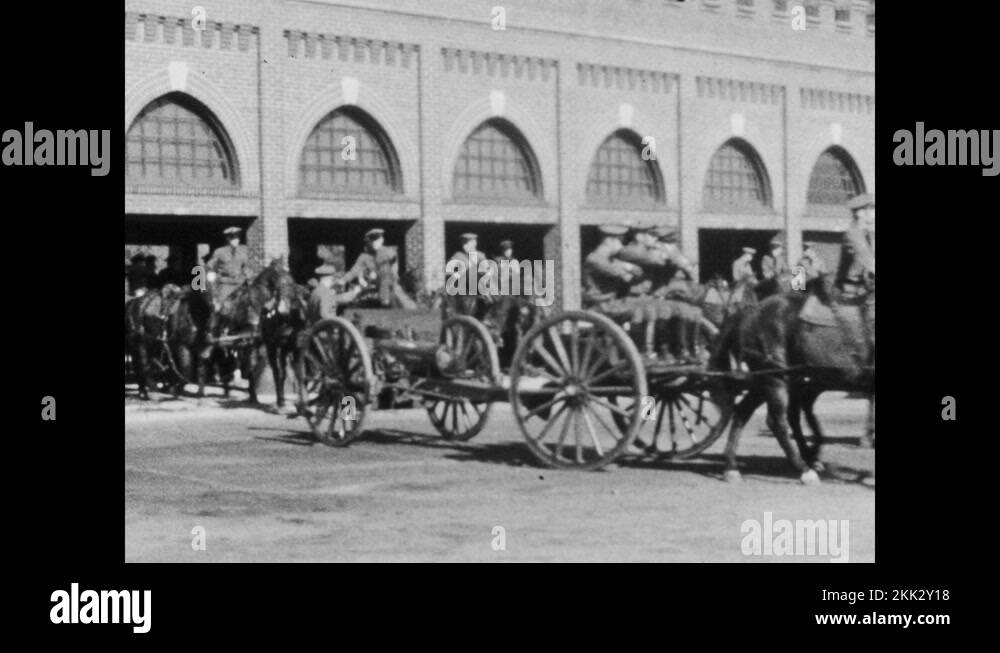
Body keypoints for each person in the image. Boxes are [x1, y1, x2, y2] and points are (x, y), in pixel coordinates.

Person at [650, 226, 703, 364]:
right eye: (669, 243)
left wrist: (685, 265)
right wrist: (682, 263)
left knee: (692, 312)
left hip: (667, 294)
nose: (671, 246)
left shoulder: (670, 251)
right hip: (656, 293)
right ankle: (665, 349)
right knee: (674, 310)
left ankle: (689, 349)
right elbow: (679, 263)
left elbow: (688, 266)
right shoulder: (656, 251)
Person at [582, 225, 643, 327]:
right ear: (609, 240)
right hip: (598, 305)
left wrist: (628, 267)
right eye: (620, 241)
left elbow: (637, 271)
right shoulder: (594, 259)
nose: (621, 246)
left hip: (609, 303)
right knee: (637, 312)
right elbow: (625, 276)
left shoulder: (610, 259)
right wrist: (628, 267)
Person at [342, 228, 416, 308]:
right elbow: (354, 271)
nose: (375, 243)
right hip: (370, 285)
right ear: (369, 242)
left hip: (390, 285)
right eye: (372, 241)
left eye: (377, 240)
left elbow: (389, 262)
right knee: (354, 303)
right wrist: (343, 280)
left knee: (408, 306)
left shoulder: (388, 252)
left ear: (382, 240)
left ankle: (386, 300)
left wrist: (379, 253)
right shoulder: (364, 257)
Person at [205, 226, 252, 313]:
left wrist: (247, 273)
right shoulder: (219, 252)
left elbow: (247, 265)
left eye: (237, 237)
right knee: (222, 307)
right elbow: (209, 266)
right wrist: (212, 277)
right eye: (233, 238)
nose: (236, 240)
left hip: (241, 283)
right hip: (226, 283)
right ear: (227, 238)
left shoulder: (244, 250)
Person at [758, 233, 792, 298]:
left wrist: (788, 274)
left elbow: (786, 270)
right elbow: (766, 272)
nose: (775, 250)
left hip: (779, 280)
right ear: (771, 249)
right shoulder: (766, 258)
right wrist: (773, 274)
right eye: (774, 248)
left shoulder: (780, 258)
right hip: (770, 280)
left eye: (777, 248)